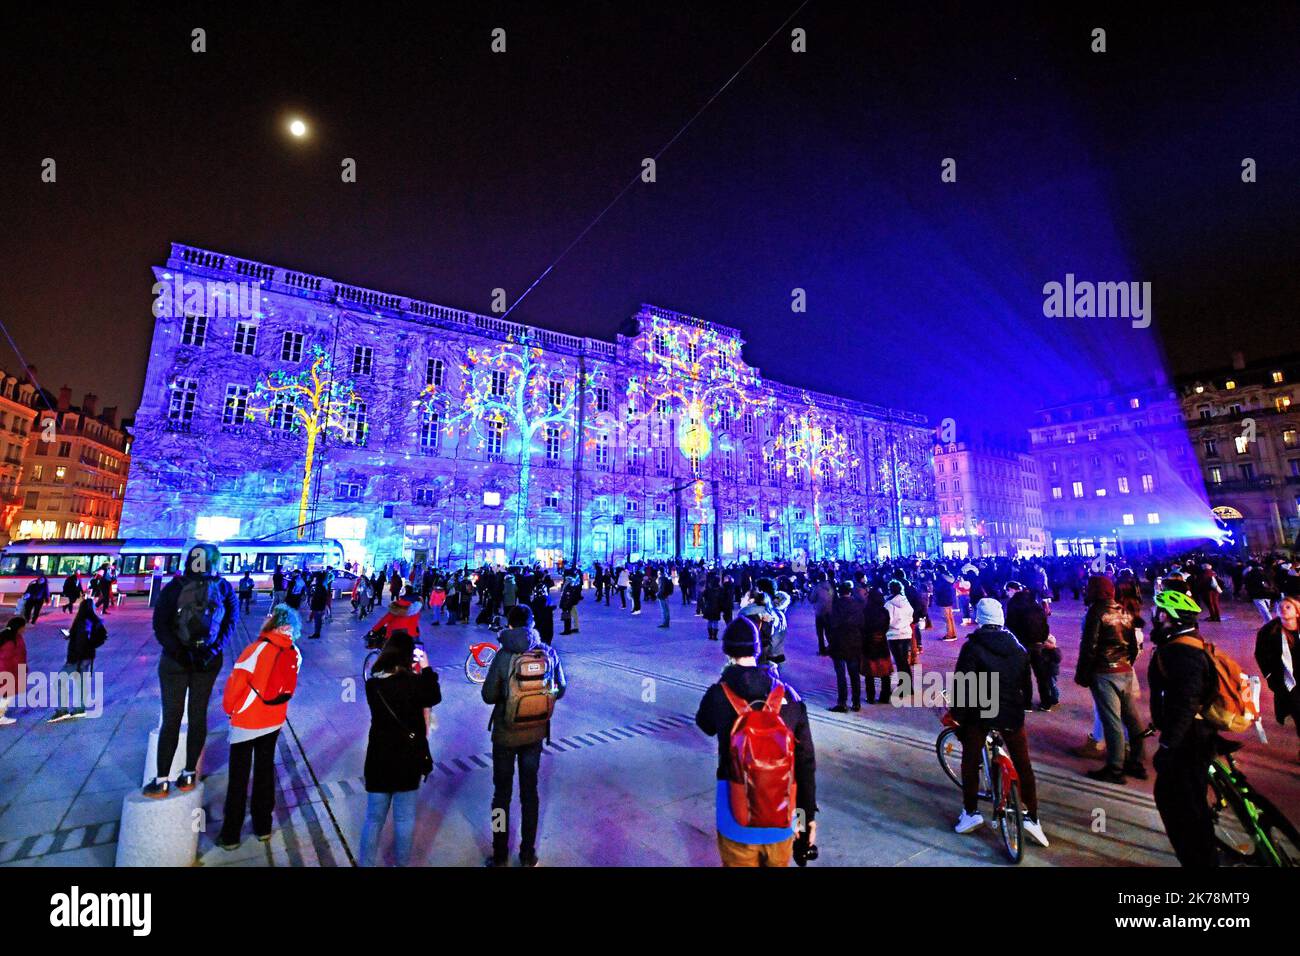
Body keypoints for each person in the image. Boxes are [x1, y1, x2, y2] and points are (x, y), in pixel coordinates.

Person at [695, 617, 817, 866]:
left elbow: (704, 724)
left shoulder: (719, 694)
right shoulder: (789, 696)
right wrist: (807, 819)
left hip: (734, 812)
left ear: (727, 650)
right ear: (757, 649)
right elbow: (805, 763)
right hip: (781, 813)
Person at [144, 543, 239, 798]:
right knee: (198, 716)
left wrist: (178, 651)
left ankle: (162, 780)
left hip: (175, 663)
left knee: (171, 718)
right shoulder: (223, 587)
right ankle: (188, 775)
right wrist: (213, 649)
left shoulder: (175, 587)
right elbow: (231, 621)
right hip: (207, 662)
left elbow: (160, 625)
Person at [951, 598, 1048, 847]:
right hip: (1011, 714)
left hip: (980, 714)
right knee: (1023, 763)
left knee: (970, 759)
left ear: (980, 619)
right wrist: (1021, 706)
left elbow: (963, 687)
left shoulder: (972, 648)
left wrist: (957, 716)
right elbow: (1026, 689)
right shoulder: (1018, 648)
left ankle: (971, 813)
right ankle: (1032, 818)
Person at [481, 606, 566, 867]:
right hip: (534, 735)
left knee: (501, 796)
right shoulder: (547, 653)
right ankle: (528, 855)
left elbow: (488, 696)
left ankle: (499, 854)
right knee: (530, 794)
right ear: (531, 623)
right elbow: (561, 689)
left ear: (510, 624)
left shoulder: (503, 655)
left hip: (506, 736)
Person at [217, 604, 302, 849]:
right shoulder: (295, 652)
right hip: (274, 720)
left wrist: (229, 710)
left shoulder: (255, 650)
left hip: (248, 721)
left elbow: (235, 686)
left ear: (276, 623)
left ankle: (231, 834)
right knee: (265, 772)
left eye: (271, 616)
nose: (266, 618)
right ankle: (263, 826)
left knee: (238, 777)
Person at [1147, 589, 1219, 867]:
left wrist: (1168, 745)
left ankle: (1200, 862)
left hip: (1189, 740)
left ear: (1166, 616)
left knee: (1178, 803)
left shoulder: (1180, 651)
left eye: (1158, 612)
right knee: (1190, 800)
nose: (1155, 616)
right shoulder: (1186, 641)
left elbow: (1185, 702)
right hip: (1192, 734)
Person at [360, 630, 440, 866]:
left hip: (378, 758)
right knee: (404, 819)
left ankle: (366, 863)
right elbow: (434, 696)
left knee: (373, 818)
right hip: (408, 758)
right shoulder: (415, 684)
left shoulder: (372, 685)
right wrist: (426, 667)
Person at [1074, 575, 1146, 783]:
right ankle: (1136, 761)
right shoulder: (1123, 610)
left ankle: (1115, 768)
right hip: (1124, 669)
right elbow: (1133, 645)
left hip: (1104, 672)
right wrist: (1126, 662)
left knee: (1111, 720)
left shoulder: (1096, 612)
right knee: (1132, 718)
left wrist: (1083, 674)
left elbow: (1090, 646)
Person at [1254, 595, 1300, 763]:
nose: (1282, 608)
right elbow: (1260, 655)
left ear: (1297, 612)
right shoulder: (1269, 631)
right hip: (1289, 683)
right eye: (1280, 606)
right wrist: (1270, 677)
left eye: (1288, 606)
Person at [48, 595, 108, 722]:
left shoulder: (81, 622)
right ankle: (80, 708)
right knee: (80, 683)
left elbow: (81, 642)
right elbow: (99, 637)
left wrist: (73, 659)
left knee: (59, 681)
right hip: (87, 657)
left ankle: (62, 710)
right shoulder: (94, 621)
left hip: (78, 658)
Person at [1005, 582, 1058, 711]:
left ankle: (1026, 703)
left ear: (1013, 590)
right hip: (1038, 643)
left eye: (1007, 591)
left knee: (1025, 675)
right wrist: (1042, 637)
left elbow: (1010, 624)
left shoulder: (1013, 604)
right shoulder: (1033, 601)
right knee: (1041, 674)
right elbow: (1044, 622)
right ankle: (1046, 702)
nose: (1007, 594)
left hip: (1022, 644)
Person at [824, 582, 865, 712]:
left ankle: (842, 702)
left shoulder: (835, 606)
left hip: (839, 644)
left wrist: (830, 641)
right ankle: (856, 702)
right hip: (854, 643)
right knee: (854, 674)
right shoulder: (857, 605)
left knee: (841, 675)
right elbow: (862, 623)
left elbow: (831, 625)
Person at [884, 579, 915, 696]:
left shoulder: (889, 604)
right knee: (904, 661)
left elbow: (888, 620)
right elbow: (911, 617)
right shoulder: (906, 602)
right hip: (906, 633)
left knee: (899, 661)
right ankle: (908, 686)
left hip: (893, 635)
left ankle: (904, 687)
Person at [0, 617, 28, 726]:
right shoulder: (13, 640)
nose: (24, 629)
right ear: (19, 627)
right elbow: (14, 657)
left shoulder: (6, 636)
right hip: (9, 671)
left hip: (10, 670)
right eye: (23, 627)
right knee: (8, 695)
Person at [307, 573, 330, 639]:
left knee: (317, 621)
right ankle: (317, 633)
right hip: (319, 606)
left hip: (318, 606)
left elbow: (318, 597)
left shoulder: (319, 587)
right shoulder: (322, 586)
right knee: (318, 621)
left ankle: (316, 634)